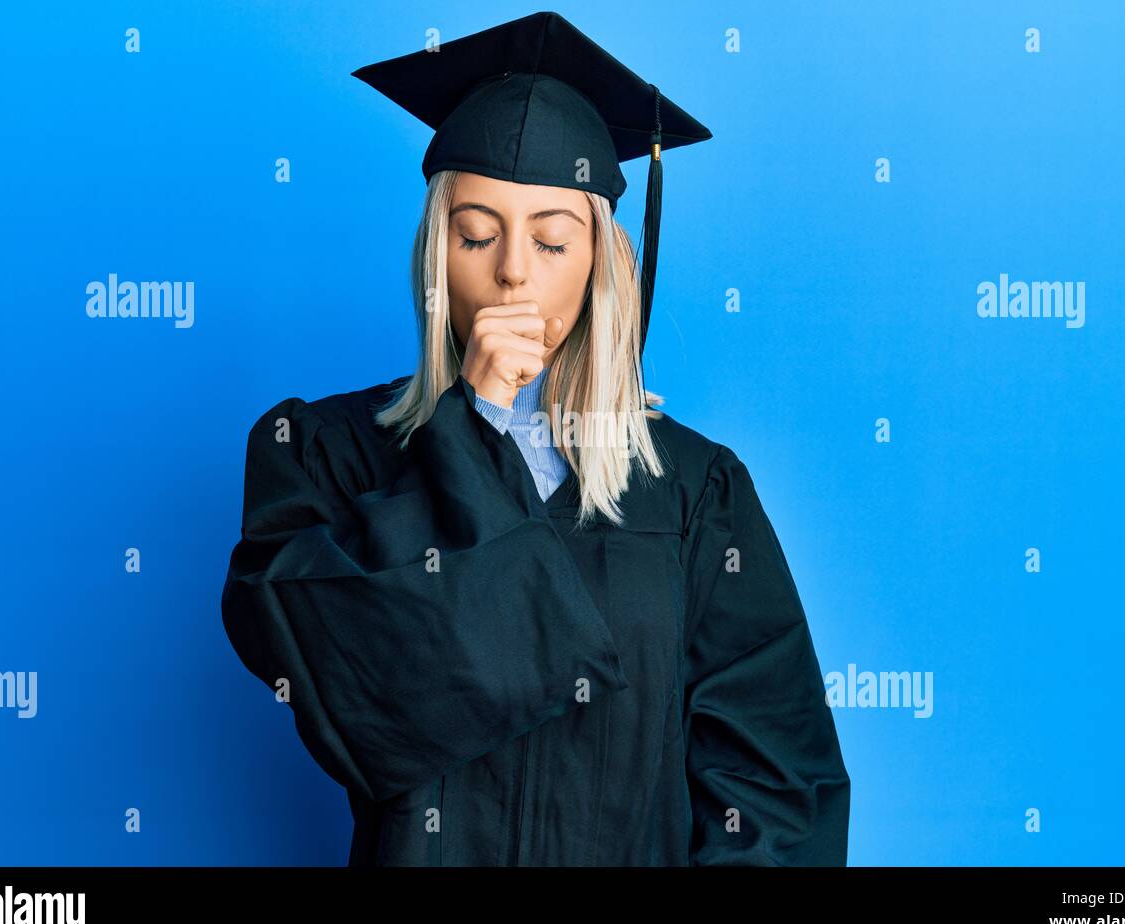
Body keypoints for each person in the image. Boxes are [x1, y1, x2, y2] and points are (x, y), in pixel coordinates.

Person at [220, 11, 851, 866]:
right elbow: (346, 689)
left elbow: (774, 783)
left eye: (553, 239)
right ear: (435, 253)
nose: (513, 269)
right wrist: (469, 423)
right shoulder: (327, 451)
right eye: (476, 233)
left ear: (602, 262)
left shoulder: (693, 490)